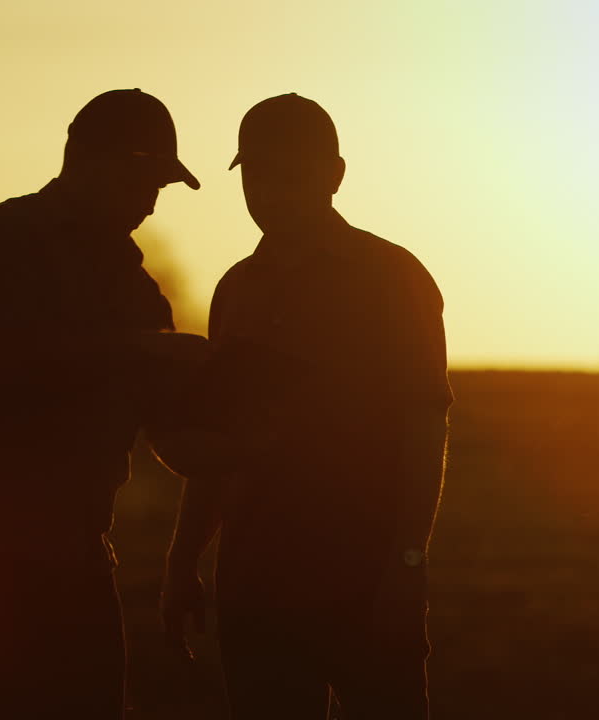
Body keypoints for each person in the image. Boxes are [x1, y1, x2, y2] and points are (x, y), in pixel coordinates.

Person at [0, 88, 199, 719]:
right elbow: (15, 362)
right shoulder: (2, 238)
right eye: (148, 180)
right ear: (97, 162)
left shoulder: (135, 286)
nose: (153, 204)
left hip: (73, 557)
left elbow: (178, 436)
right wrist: (146, 353)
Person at [161, 93, 453, 720]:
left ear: (334, 176)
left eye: (289, 174)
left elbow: (424, 425)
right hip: (257, 593)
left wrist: (407, 564)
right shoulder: (236, 289)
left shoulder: (394, 279)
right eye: (257, 174)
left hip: (365, 587)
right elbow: (220, 437)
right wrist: (184, 558)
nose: (271, 191)